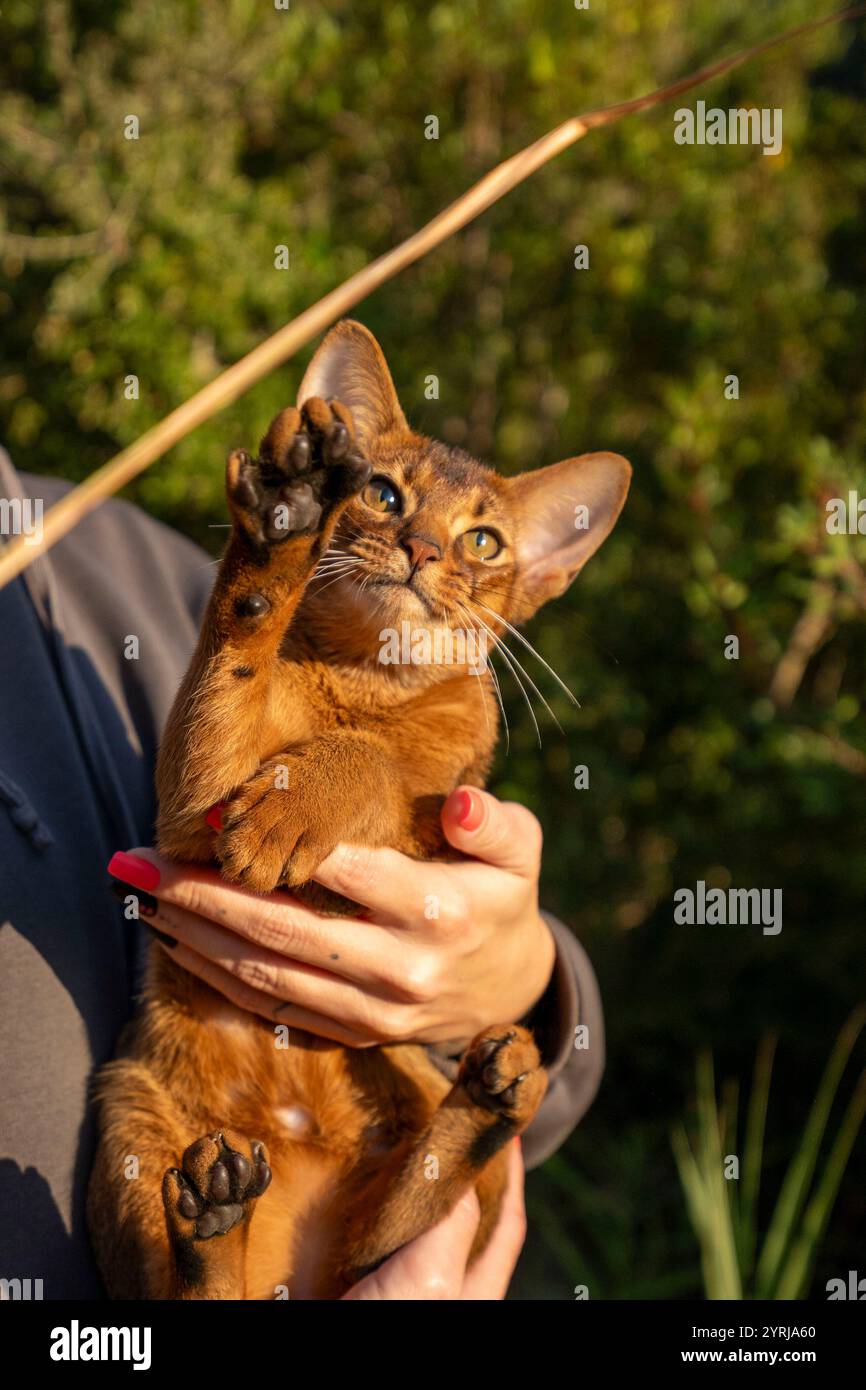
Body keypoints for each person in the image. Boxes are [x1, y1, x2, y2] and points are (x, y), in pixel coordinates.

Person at [0, 449, 604, 1299]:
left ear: (543, 574)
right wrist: (264, 574)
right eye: (387, 496)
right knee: (137, 1120)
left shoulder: (127, 558)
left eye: (484, 544)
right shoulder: (271, 629)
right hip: (200, 1119)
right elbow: (208, 805)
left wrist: (532, 980)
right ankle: (206, 1267)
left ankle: (452, 1139)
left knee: (464, 1155)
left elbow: (436, 871)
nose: (425, 546)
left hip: (373, 1140)